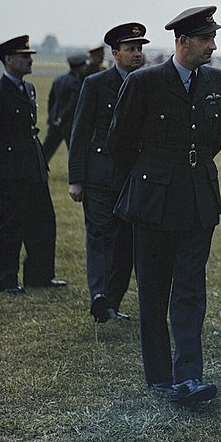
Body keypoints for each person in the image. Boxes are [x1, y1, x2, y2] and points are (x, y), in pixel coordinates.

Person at [109, 6, 221, 406]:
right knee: (155, 291)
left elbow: (212, 142)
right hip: (153, 203)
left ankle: (189, 375)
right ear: (182, 42)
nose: (213, 46)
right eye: (205, 39)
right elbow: (120, 144)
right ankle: (160, 375)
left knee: (191, 290)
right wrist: (155, 175)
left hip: (198, 200)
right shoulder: (145, 82)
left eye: (213, 38)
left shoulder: (218, 81)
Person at [68, 22, 149, 323]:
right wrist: (76, 178)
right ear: (115, 53)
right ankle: (99, 295)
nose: (137, 54)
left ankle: (111, 302)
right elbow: (80, 132)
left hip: (134, 178)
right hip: (100, 176)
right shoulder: (96, 84)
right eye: (130, 49)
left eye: (140, 49)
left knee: (126, 244)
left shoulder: (148, 82)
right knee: (100, 236)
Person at [0, 35, 66, 294]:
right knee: (8, 228)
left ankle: (39, 276)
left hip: (33, 168)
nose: (30, 60)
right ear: (9, 60)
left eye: (30, 55)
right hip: (9, 173)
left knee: (43, 223)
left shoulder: (29, 88)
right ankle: (8, 281)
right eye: (24, 56)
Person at [41, 54, 87, 164]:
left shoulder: (59, 79)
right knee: (74, 152)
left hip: (55, 121)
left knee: (46, 150)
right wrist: (62, 117)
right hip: (68, 123)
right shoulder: (76, 83)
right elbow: (73, 104)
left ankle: (37, 172)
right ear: (79, 67)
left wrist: (53, 117)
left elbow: (51, 100)